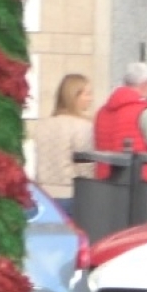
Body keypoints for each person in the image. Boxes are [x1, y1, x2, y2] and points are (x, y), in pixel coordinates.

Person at [32, 73, 97, 215]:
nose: (91, 99)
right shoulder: (83, 126)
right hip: (70, 193)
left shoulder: (42, 125)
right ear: (74, 97)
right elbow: (85, 167)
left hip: (43, 195)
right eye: (87, 94)